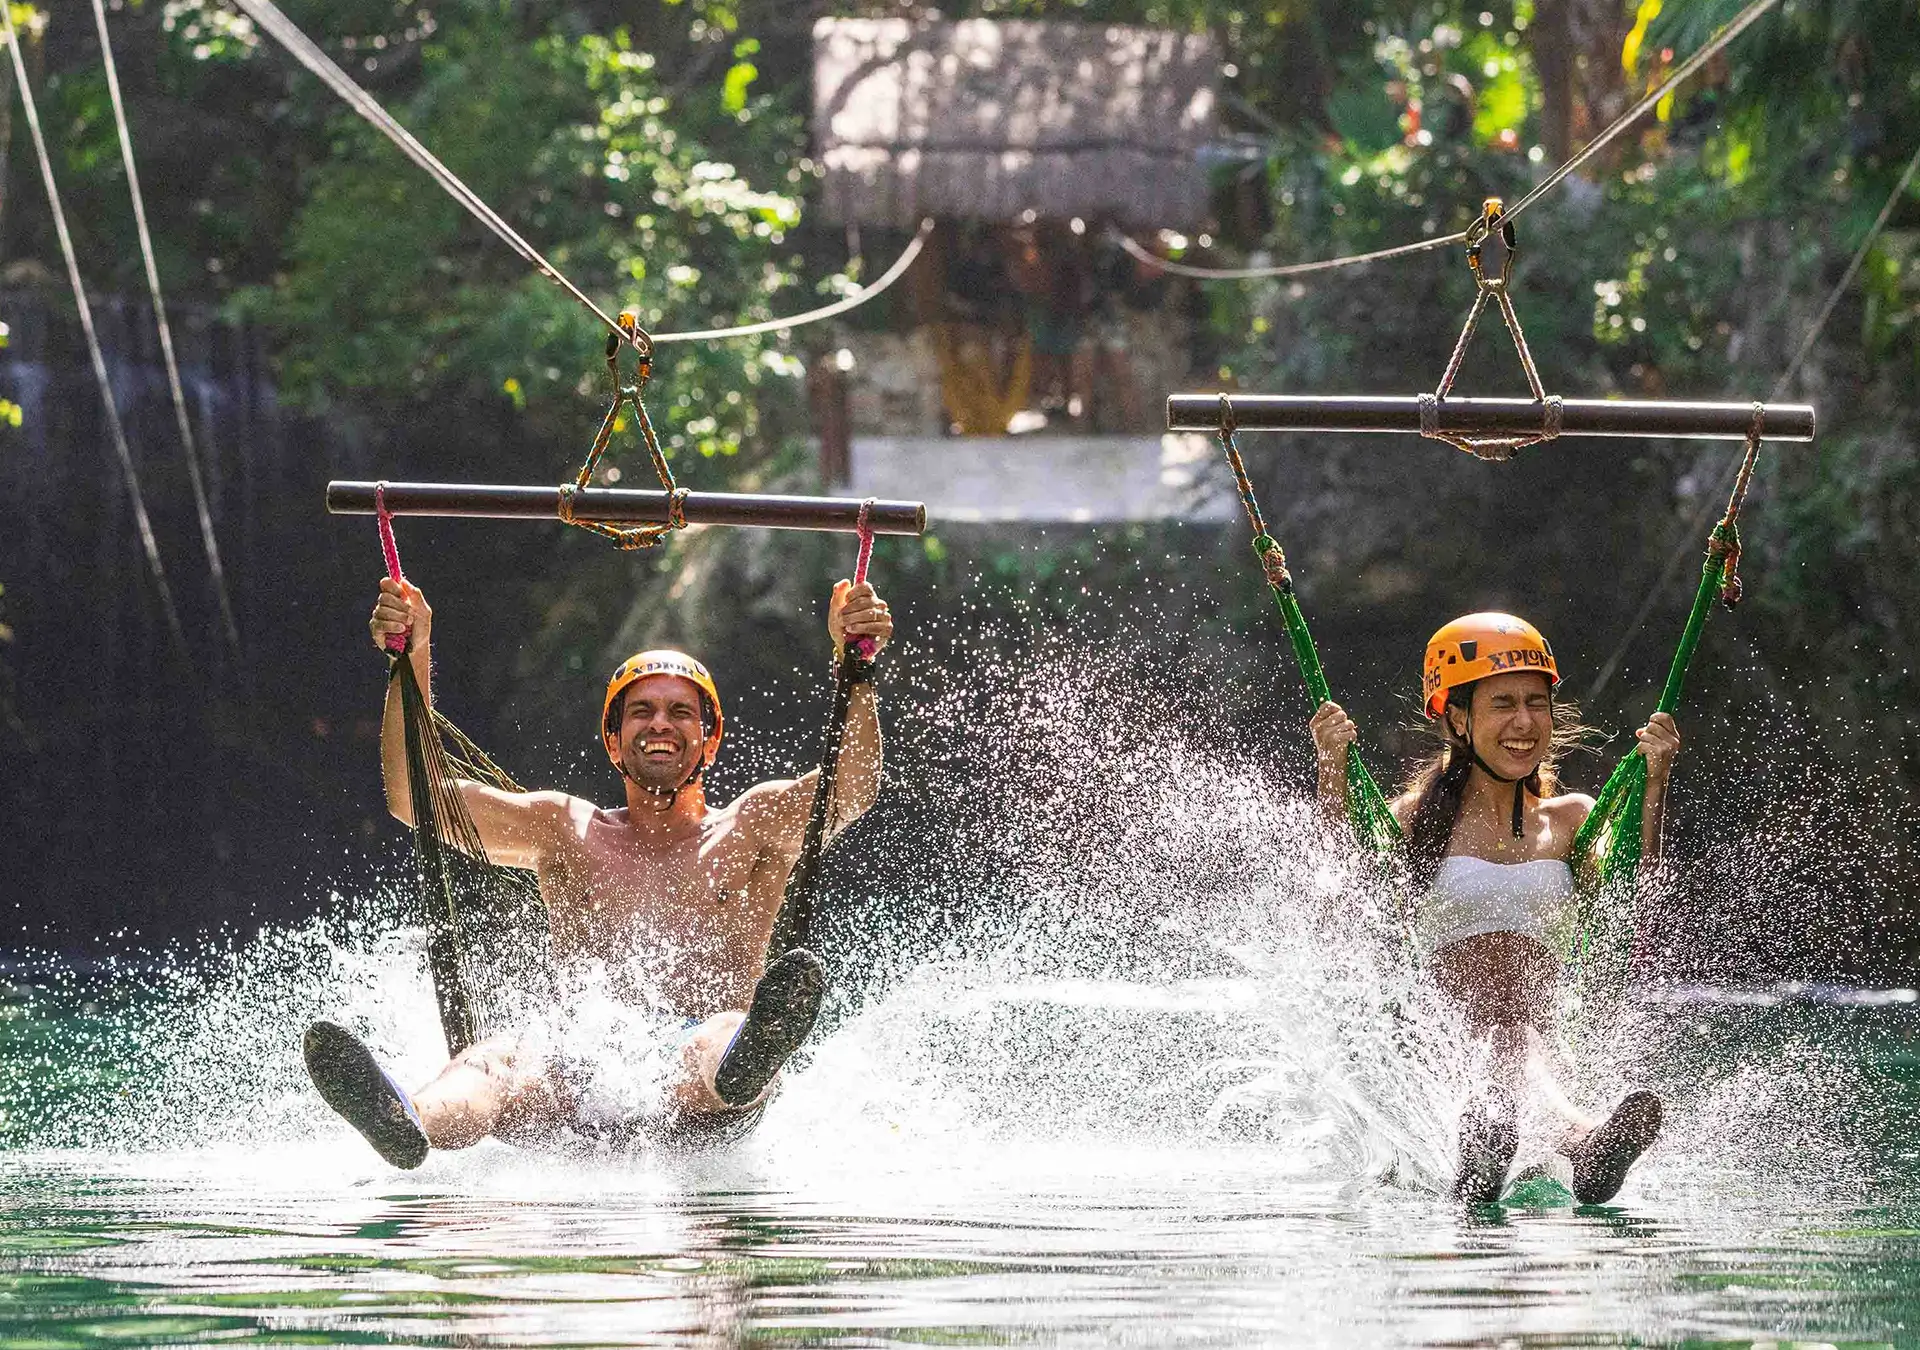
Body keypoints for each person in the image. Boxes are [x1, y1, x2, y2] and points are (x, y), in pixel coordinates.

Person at [301, 574, 894, 1168]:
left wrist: (856, 670)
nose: (660, 723)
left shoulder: (753, 825)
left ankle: (747, 1064)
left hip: (704, 1090)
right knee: (492, 1059)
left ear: (709, 742)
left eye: (680, 713)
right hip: (577, 1073)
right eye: (641, 712)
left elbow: (854, 787)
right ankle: (406, 1119)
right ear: (614, 743)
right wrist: (413, 656)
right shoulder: (564, 830)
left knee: (717, 1036)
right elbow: (415, 798)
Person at [1308, 613, 1679, 1205]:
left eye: (1537, 703)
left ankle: (1505, 1143)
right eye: (1503, 703)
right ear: (1458, 718)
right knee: (1505, 1032)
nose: (1525, 722)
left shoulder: (1575, 821)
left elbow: (1639, 900)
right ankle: (1581, 1142)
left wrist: (1654, 785)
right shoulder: (1413, 821)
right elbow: (1341, 896)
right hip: (1440, 1048)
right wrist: (1332, 769)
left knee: (1516, 1032)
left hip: (1540, 1044)